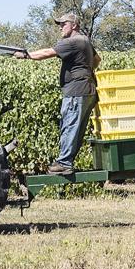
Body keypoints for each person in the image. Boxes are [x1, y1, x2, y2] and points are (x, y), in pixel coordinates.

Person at [14, 12, 101, 175]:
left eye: (64, 24)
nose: (60, 27)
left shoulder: (73, 41)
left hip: (76, 91)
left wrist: (25, 55)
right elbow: (97, 59)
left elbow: (47, 52)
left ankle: (64, 163)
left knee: (70, 126)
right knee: (76, 128)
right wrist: (85, 70)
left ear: (74, 25)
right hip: (87, 90)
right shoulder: (85, 41)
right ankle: (66, 161)